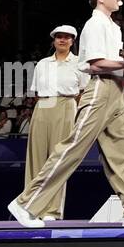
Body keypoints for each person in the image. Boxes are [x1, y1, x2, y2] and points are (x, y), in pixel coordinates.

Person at [8, 0, 124, 228]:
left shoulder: (113, 27)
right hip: (99, 88)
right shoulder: (94, 25)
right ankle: (27, 203)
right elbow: (96, 63)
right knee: (73, 148)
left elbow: (117, 64)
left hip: (116, 89)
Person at [23, 25, 85, 220]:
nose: (63, 40)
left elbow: (82, 92)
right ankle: (30, 207)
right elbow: (36, 91)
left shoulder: (79, 63)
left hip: (66, 105)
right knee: (36, 159)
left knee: (57, 160)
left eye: (67, 37)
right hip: (42, 106)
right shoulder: (42, 63)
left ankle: (52, 210)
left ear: (73, 41)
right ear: (53, 40)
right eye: (59, 37)